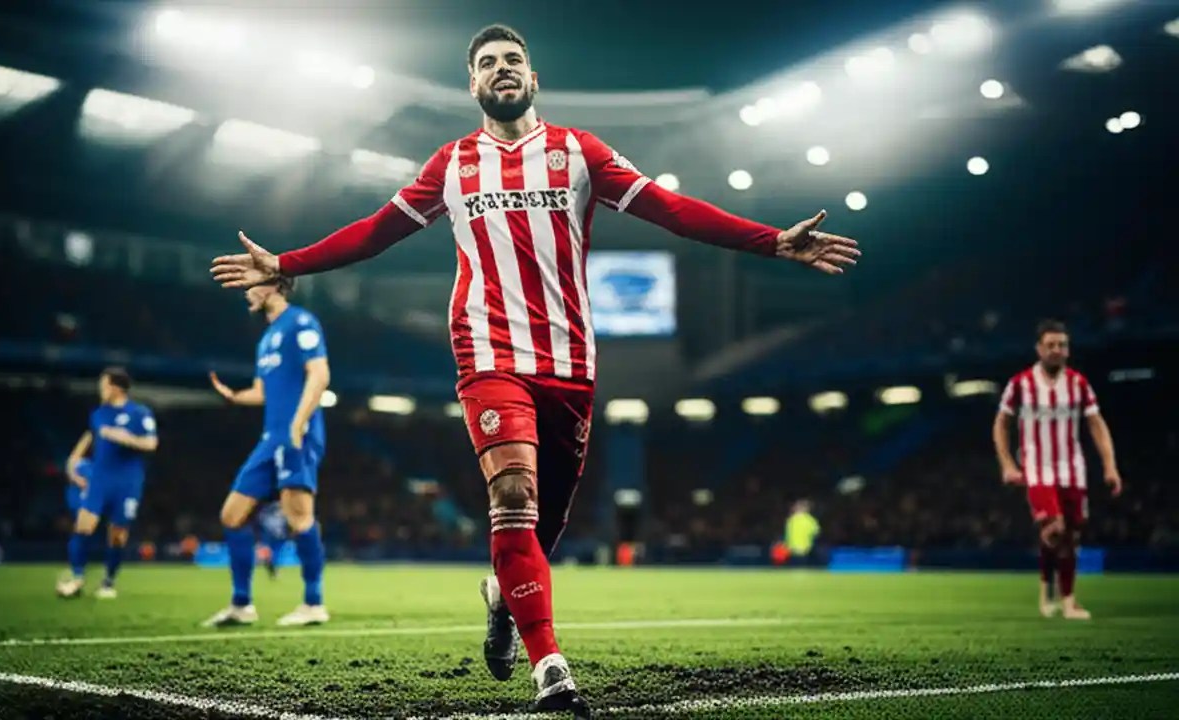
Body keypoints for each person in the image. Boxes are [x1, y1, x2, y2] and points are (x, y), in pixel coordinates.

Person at [210, 24, 859, 715]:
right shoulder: (452, 164)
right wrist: (287, 263)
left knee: (541, 529)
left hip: (569, 362)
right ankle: (551, 670)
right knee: (513, 493)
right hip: (488, 353)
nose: (502, 68)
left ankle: (501, 595)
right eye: (488, 62)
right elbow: (375, 231)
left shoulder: (579, 153)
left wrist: (771, 242)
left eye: (513, 59)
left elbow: (672, 212)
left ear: (533, 77)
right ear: (473, 84)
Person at [202, 275, 331, 628]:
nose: (247, 292)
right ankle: (241, 604)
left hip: (296, 434)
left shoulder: (300, 321)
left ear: (274, 286)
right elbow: (262, 392)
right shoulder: (266, 338)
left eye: (252, 285)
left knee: (299, 517)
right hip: (271, 439)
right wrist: (234, 396)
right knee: (232, 515)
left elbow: (319, 375)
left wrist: (298, 422)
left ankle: (313, 603)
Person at [993, 319, 1123, 620]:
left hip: (1072, 470)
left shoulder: (1078, 383)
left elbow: (1096, 424)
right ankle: (1055, 596)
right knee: (1056, 527)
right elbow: (1001, 423)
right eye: (1050, 345)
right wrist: (1007, 463)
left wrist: (1110, 466)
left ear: (1068, 349)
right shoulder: (1021, 383)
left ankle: (1061, 596)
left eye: (1062, 345)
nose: (1056, 350)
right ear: (1038, 349)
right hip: (1037, 469)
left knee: (1071, 538)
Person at [57, 367, 158, 599]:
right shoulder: (99, 414)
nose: (100, 390)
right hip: (100, 478)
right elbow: (92, 436)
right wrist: (73, 462)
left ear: (116, 388)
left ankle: (108, 582)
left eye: (103, 385)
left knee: (117, 535)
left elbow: (151, 443)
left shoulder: (140, 413)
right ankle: (77, 577)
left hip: (127, 481)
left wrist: (125, 438)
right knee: (84, 526)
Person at [784, 499, 820, 564]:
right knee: (802, 566)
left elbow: (787, 535)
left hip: (792, 549)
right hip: (805, 549)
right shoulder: (811, 520)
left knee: (793, 567)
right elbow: (816, 533)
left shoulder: (791, 520)